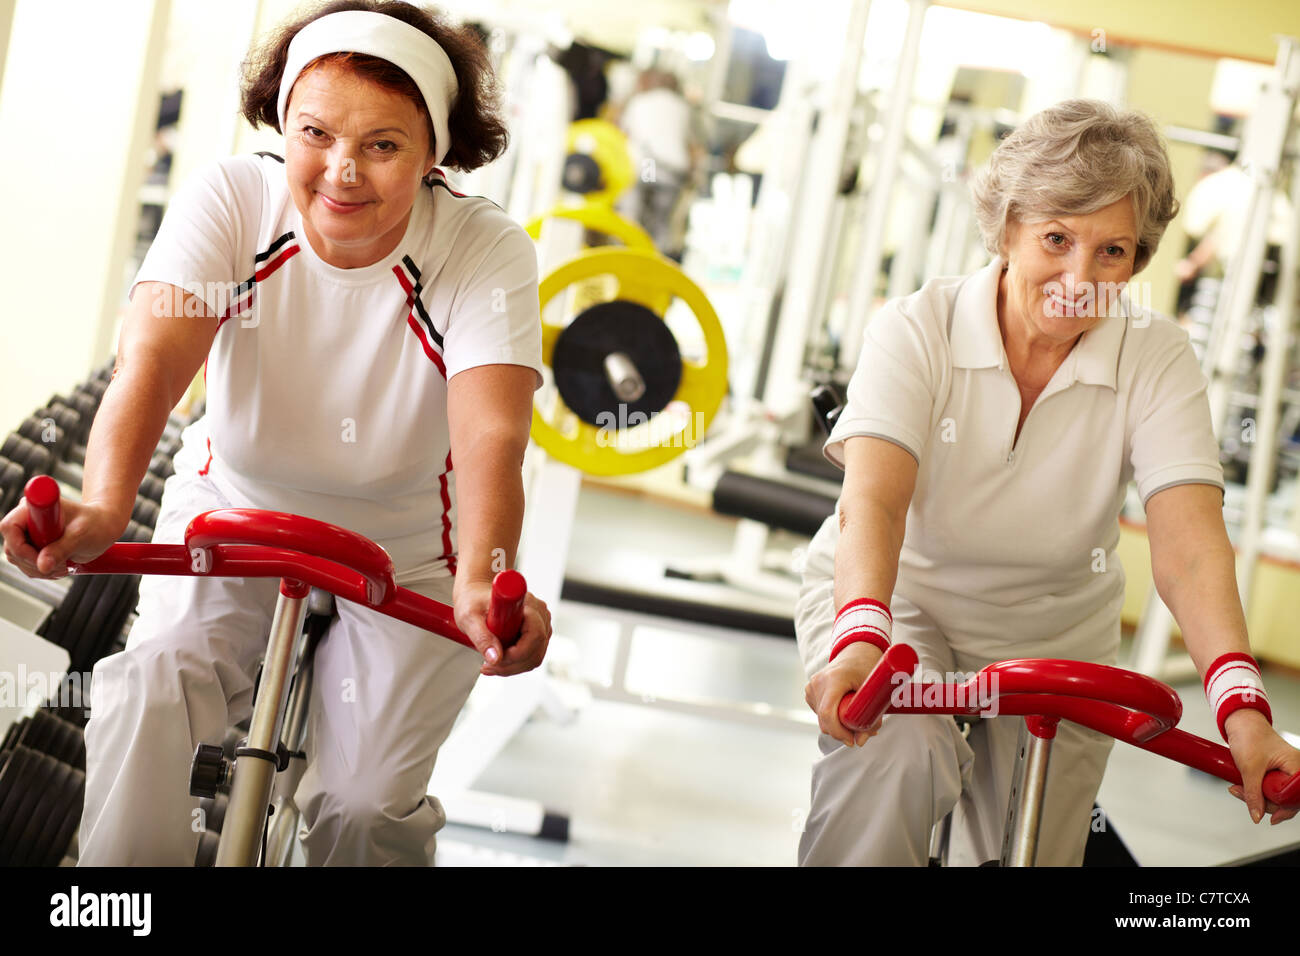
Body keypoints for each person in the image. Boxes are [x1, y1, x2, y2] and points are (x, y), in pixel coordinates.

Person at [0, 0, 552, 866]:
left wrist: (484, 580)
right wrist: (106, 506)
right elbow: (150, 364)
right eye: (316, 133)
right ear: (282, 123)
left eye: (383, 144)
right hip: (233, 513)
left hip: (410, 554)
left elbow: (491, 435)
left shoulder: (484, 249)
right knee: (145, 690)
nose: (342, 171)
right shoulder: (234, 198)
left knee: (362, 809)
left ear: (434, 152)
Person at [796, 99, 1300, 866]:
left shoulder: (1156, 355)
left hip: (1053, 634)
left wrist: (1243, 708)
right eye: (1057, 239)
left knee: (1029, 845)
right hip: (902, 608)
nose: (1081, 278)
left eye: (1113, 252)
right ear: (1006, 229)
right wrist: (863, 640)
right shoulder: (917, 327)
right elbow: (876, 500)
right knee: (894, 752)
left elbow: (1190, 548)